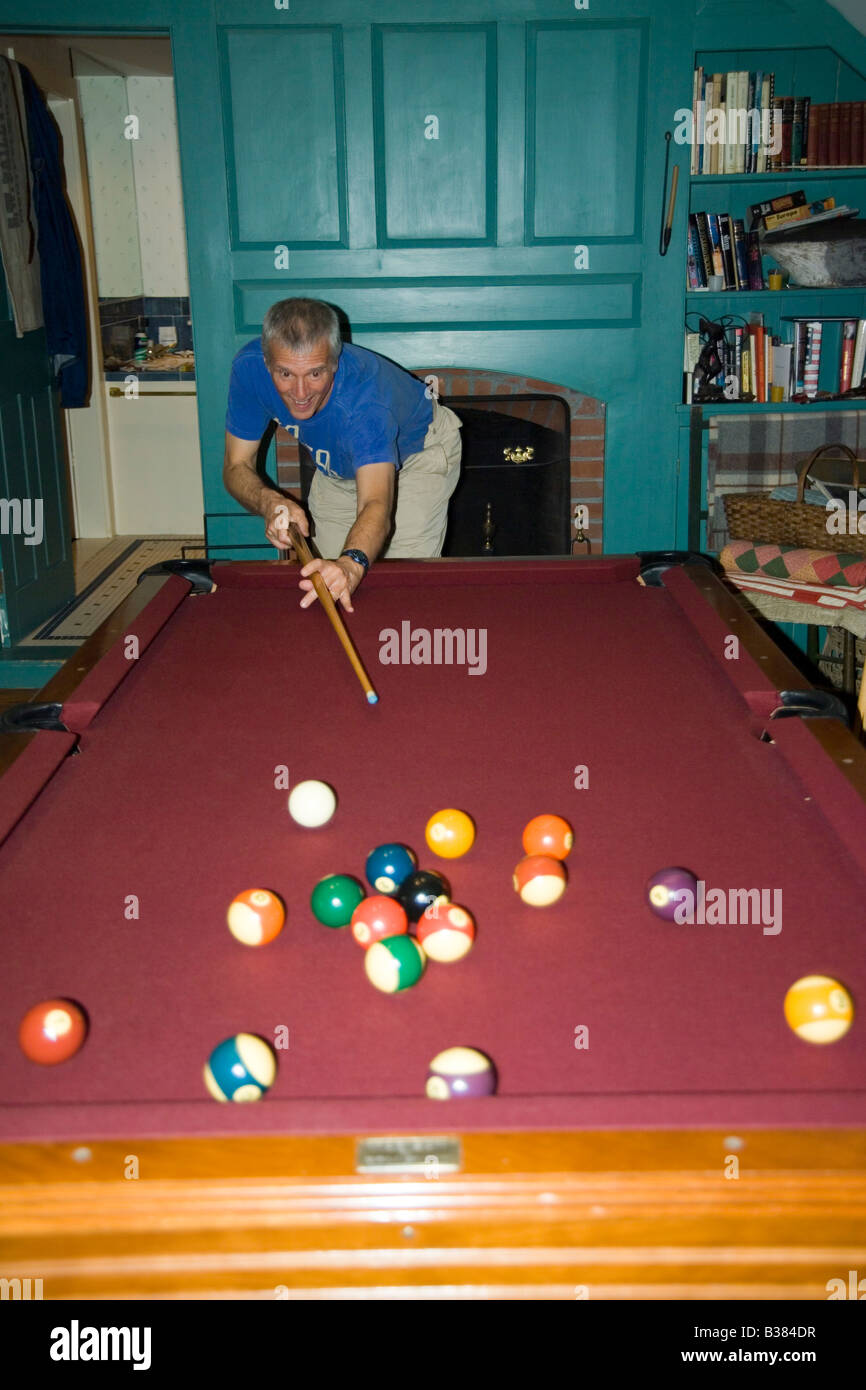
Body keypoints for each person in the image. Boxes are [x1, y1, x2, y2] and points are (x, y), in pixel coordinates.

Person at [223, 298, 462, 610]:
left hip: (416, 455)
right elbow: (236, 465)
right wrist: (269, 502)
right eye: (284, 374)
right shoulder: (249, 369)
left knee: (400, 590)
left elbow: (375, 503)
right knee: (326, 585)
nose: (300, 393)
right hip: (339, 469)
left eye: (315, 374)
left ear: (335, 361)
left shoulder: (365, 405)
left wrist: (352, 563)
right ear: (267, 362)